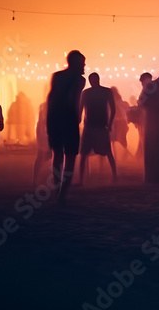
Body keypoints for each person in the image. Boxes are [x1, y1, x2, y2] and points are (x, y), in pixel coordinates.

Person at [47, 50, 87, 204]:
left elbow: (51, 98)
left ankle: (57, 191)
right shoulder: (80, 80)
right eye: (82, 63)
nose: (84, 66)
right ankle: (62, 194)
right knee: (70, 156)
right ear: (76, 63)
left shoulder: (57, 76)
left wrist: (49, 119)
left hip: (55, 117)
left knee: (57, 155)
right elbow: (72, 99)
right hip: (69, 118)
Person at [78, 73, 118, 184]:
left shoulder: (99, 92)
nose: (93, 82)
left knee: (106, 152)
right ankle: (81, 179)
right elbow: (80, 109)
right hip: (92, 126)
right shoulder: (93, 92)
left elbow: (113, 109)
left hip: (98, 126)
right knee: (85, 153)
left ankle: (115, 176)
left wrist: (109, 124)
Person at [32, 101, 51, 186]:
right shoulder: (45, 107)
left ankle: (36, 179)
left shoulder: (43, 106)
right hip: (47, 134)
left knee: (42, 157)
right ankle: (36, 179)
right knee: (42, 156)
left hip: (47, 134)